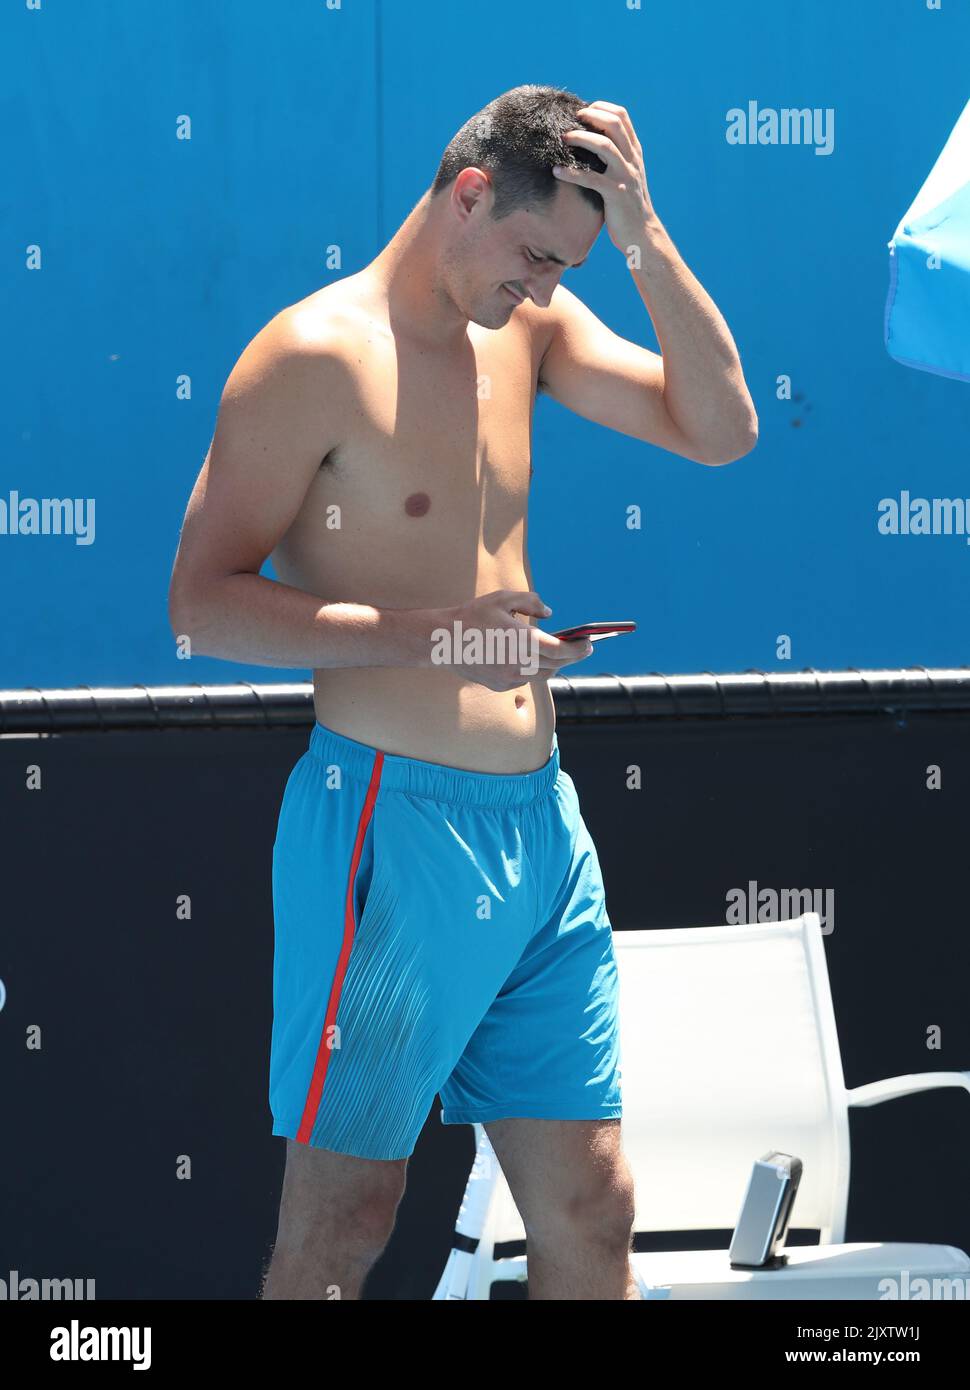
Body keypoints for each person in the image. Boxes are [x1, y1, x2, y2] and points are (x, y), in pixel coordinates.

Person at [167, 84, 757, 1301]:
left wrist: (643, 244)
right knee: (346, 1222)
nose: (546, 288)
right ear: (470, 193)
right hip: (391, 828)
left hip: (540, 830)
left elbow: (722, 429)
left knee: (595, 1206)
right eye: (540, 255)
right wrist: (435, 642)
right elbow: (201, 606)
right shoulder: (312, 354)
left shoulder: (526, 328)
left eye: (570, 266)